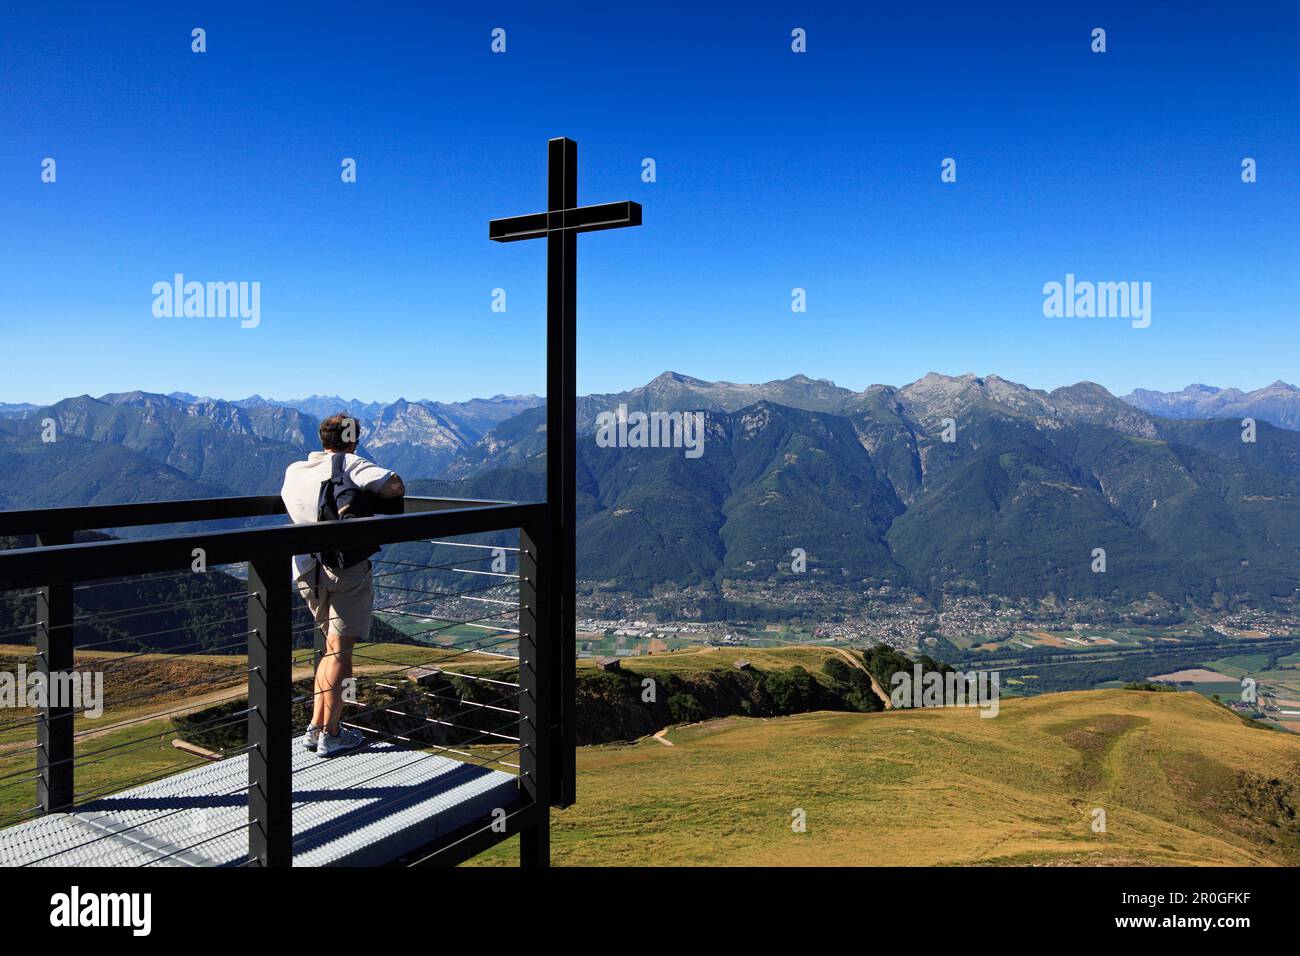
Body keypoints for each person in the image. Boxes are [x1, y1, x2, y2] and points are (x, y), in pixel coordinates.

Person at [280, 413, 404, 757]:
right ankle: (332, 734)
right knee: (339, 652)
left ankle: (316, 726)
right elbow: (394, 486)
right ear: (352, 439)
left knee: (330, 649)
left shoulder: (295, 470)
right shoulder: (351, 462)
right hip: (344, 568)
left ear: (322, 438)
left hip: (306, 568)